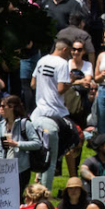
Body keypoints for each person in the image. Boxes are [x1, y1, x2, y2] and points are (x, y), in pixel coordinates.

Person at [29, 39, 71, 188]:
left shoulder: (42, 60)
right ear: (65, 49)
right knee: (53, 156)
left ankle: (36, 179)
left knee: (38, 151)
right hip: (54, 113)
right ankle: (45, 192)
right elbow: (60, 89)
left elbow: (32, 84)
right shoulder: (62, 63)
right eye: (70, 52)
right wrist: (72, 82)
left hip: (37, 112)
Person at [0, 95, 42, 191]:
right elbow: (0, 148)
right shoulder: (2, 126)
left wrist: (17, 144)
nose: (0, 108)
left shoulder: (25, 124)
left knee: (18, 197)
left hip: (21, 168)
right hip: (5, 168)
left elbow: (37, 143)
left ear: (12, 107)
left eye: (3, 106)